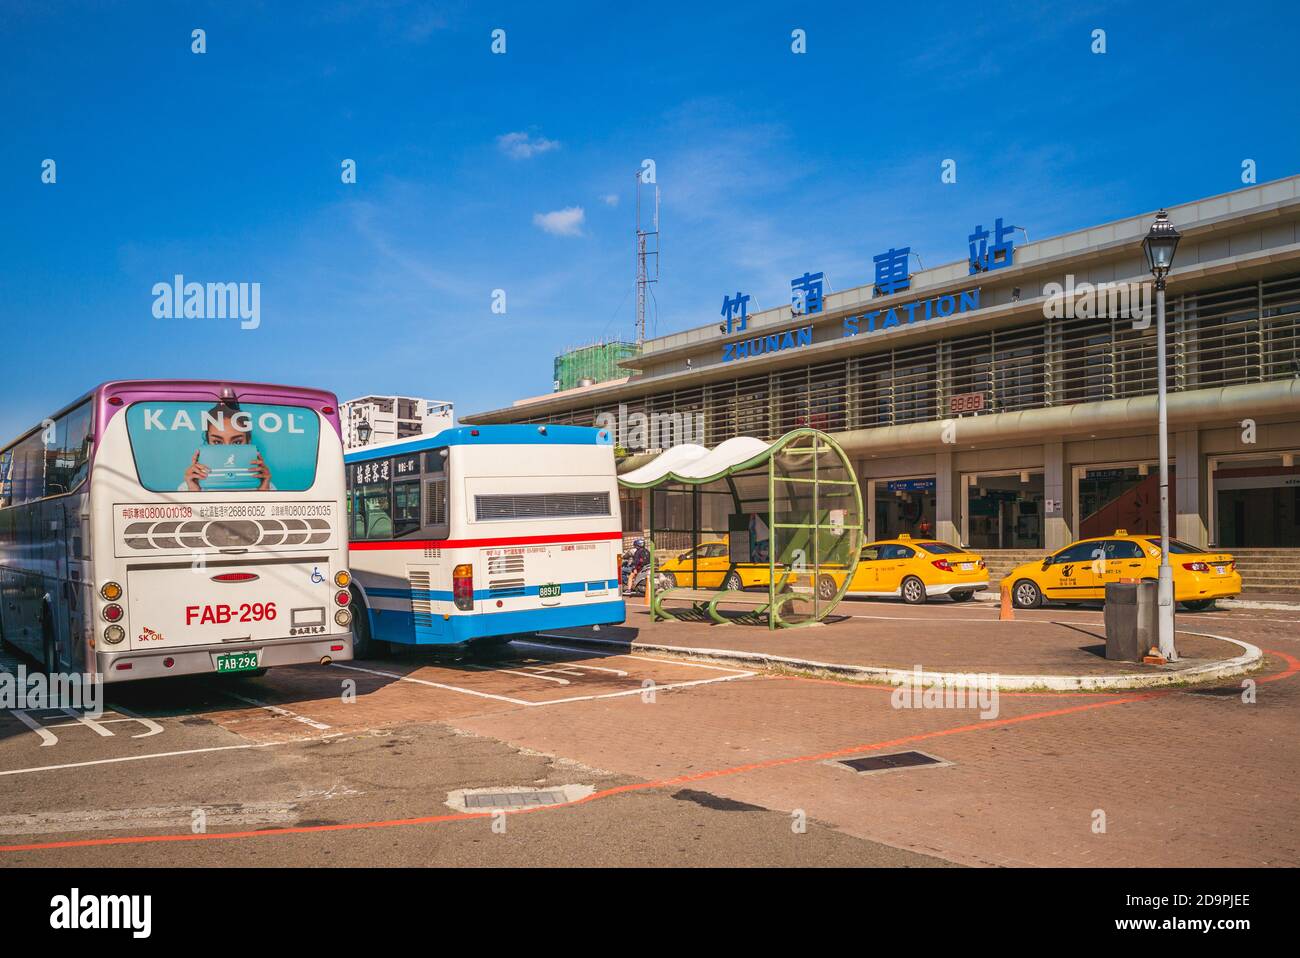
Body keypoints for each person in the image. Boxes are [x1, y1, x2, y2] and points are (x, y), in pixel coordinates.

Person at [181, 402, 274, 491]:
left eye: (237, 442)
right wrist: (193, 491)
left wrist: (264, 490)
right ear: (208, 443)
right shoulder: (191, 484)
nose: (227, 450)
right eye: (217, 442)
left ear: (248, 442)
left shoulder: (263, 484)